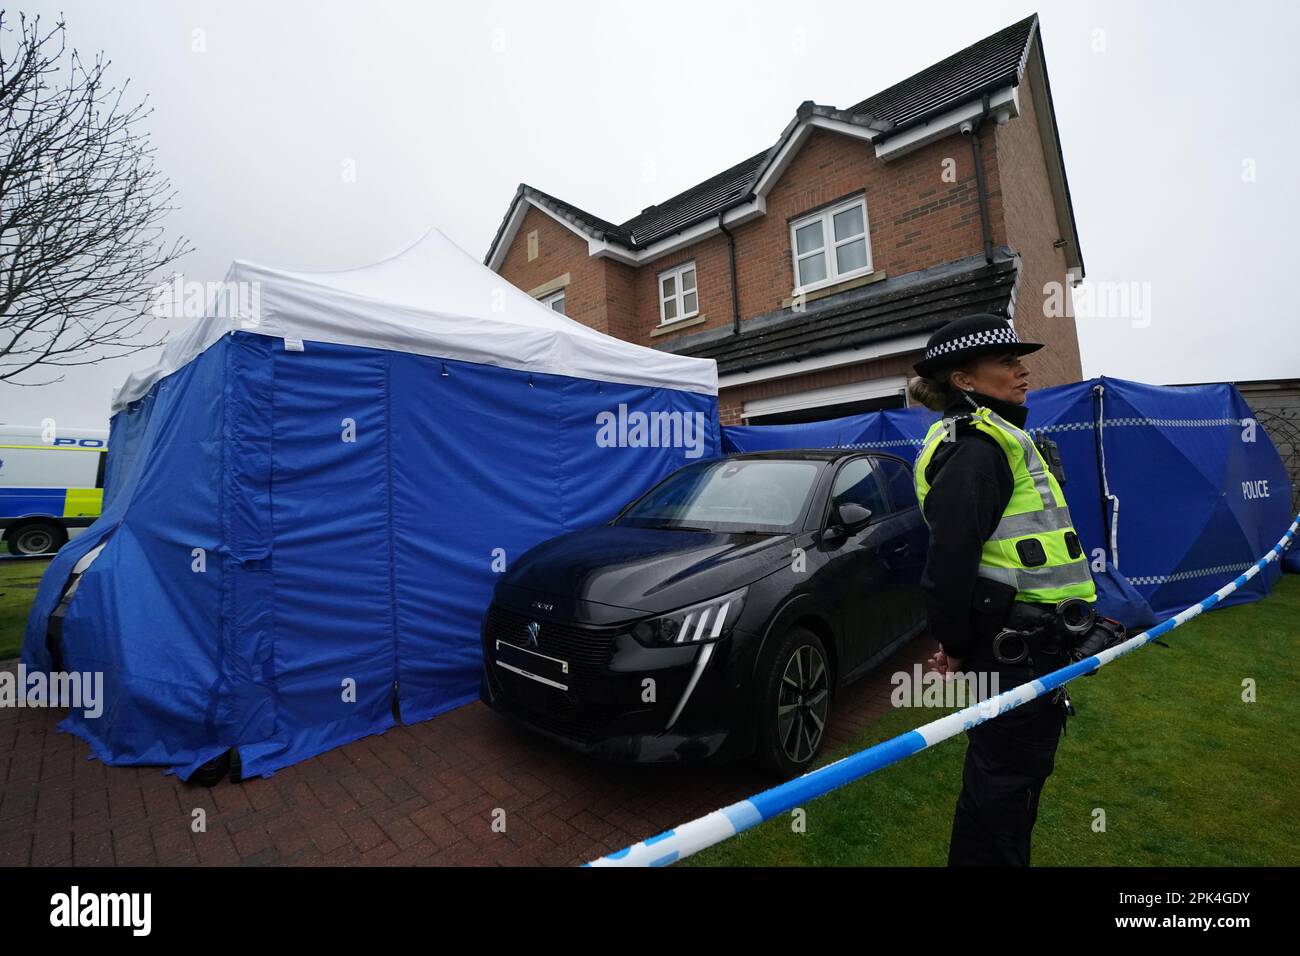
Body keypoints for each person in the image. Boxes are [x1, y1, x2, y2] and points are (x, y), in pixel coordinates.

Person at [909, 313, 1099, 867]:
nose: (1022, 372)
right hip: (1014, 650)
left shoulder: (998, 438)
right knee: (1001, 793)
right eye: (1007, 362)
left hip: (1032, 645)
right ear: (964, 380)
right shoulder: (976, 449)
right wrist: (956, 644)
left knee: (1010, 788)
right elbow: (948, 560)